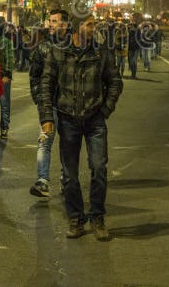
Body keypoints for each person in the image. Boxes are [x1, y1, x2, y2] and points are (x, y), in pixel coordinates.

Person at [40, 14, 123, 242]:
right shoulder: (58, 51)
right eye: (90, 24)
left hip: (95, 120)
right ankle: (76, 218)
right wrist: (46, 116)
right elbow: (46, 84)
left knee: (99, 168)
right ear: (77, 28)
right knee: (69, 175)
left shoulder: (101, 51)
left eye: (94, 24)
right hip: (67, 120)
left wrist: (105, 110)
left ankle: (97, 217)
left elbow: (115, 81)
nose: (94, 28)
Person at [28, 9, 70, 198]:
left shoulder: (74, 45)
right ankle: (42, 181)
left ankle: (67, 180)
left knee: (68, 144)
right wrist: (39, 99)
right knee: (45, 141)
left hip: (69, 104)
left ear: (65, 24)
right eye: (50, 21)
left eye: (55, 21)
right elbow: (34, 76)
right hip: (48, 104)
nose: (50, 24)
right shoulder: (43, 47)